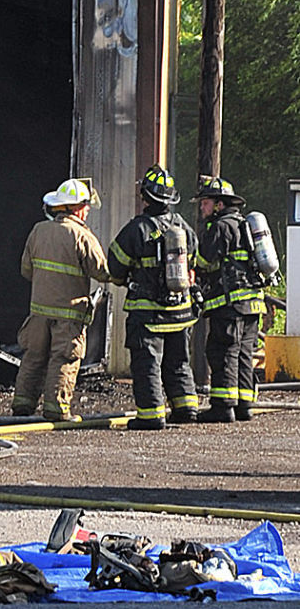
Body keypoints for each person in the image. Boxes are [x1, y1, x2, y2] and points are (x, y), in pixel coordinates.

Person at [107, 165, 199, 429]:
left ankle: (151, 416)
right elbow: (194, 263)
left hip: (148, 314)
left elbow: (115, 266)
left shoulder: (137, 229)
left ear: (145, 196)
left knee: (148, 363)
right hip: (181, 311)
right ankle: (186, 408)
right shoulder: (183, 227)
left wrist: (127, 278)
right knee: (178, 361)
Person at [11, 177, 109, 422]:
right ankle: (57, 409)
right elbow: (103, 272)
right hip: (69, 315)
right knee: (64, 358)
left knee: (33, 357)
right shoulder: (83, 236)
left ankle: (23, 404)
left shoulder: (38, 231)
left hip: (38, 313)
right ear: (75, 208)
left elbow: (26, 270)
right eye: (85, 205)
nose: (87, 210)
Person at [196, 175, 264, 423]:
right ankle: (244, 405)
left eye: (205, 202)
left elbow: (204, 262)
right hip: (252, 303)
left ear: (219, 204)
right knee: (244, 354)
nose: (202, 207)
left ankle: (223, 407)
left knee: (222, 351)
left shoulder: (220, 227)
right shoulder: (243, 224)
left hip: (230, 305)